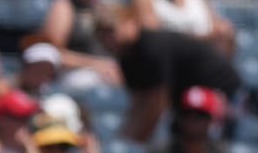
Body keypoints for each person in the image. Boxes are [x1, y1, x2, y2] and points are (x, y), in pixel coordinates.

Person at [98, 8, 241, 143]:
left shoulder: (150, 46)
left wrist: (135, 142)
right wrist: (125, 138)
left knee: (201, 141)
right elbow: (138, 103)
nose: (108, 39)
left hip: (219, 88)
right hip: (187, 99)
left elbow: (158, 101)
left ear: (130, 23)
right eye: (102, 34)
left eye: (111, 30)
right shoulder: (126, 58)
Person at [38, 0, 123, 87]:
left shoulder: (108, 4)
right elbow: (52, 53)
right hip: (73, 75)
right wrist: (95, 65)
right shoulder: (63, 6)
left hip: (107, 71)